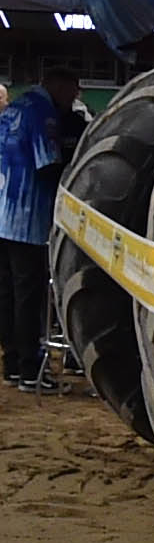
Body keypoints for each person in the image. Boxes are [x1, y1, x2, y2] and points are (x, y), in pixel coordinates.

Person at [0, 68, 81, 390]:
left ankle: (13, 365)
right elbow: (48, 165)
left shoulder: (15, 107)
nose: (73, 100)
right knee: (29, 298)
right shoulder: (44, 113)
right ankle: (32, 370)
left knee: (6, 294)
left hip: (3, 215)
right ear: (59, 86)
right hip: (28, 218)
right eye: (72, 92)